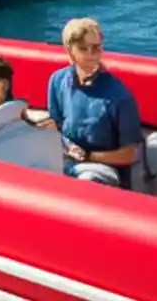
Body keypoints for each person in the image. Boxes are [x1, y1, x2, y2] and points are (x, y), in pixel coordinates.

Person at [46, 17, 143, 187]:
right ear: (70, 51)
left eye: (96, 48)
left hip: (101, 170)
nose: (91, 56)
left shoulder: (119, 96)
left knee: (84, 184)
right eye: (84, 49)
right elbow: (55, 126)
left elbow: (130, 154)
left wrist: (89, 156)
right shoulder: (57, 81)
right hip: (65, 161)